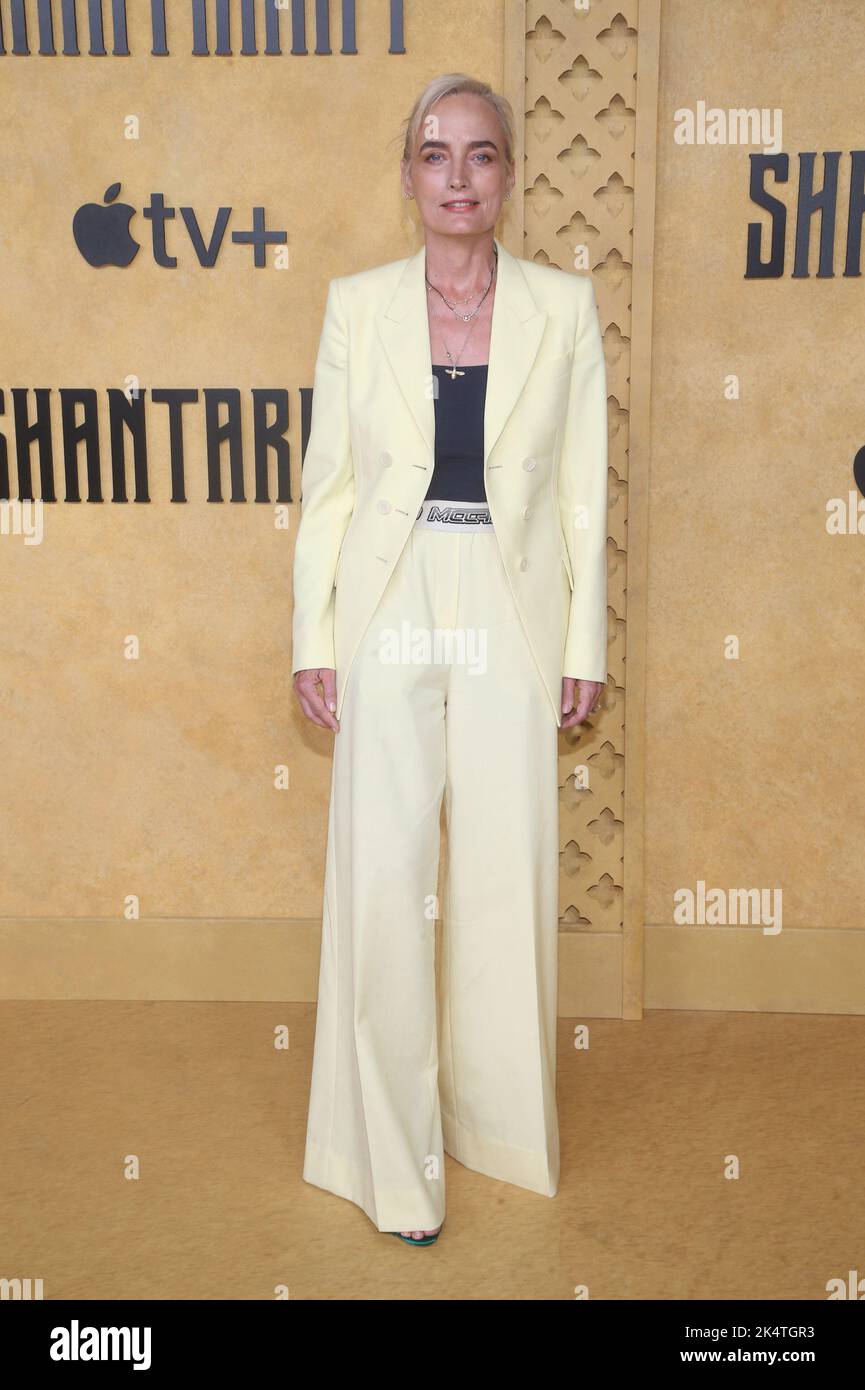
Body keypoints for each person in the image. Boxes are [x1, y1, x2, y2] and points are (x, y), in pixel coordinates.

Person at [291, 73, 608, 1246]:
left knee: (505, 873)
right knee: (380, 879)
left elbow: (582, 499)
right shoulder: (356, 306)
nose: (458, 177)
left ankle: (499, 1130)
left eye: (481, 155)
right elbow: (326, 490)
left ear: (509, 174)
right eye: (435, 155)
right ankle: (387, 1157)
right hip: (390, 599)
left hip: (510, 610)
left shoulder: (564, 309)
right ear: (410, 173)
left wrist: (582, 643)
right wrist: (313, 637)